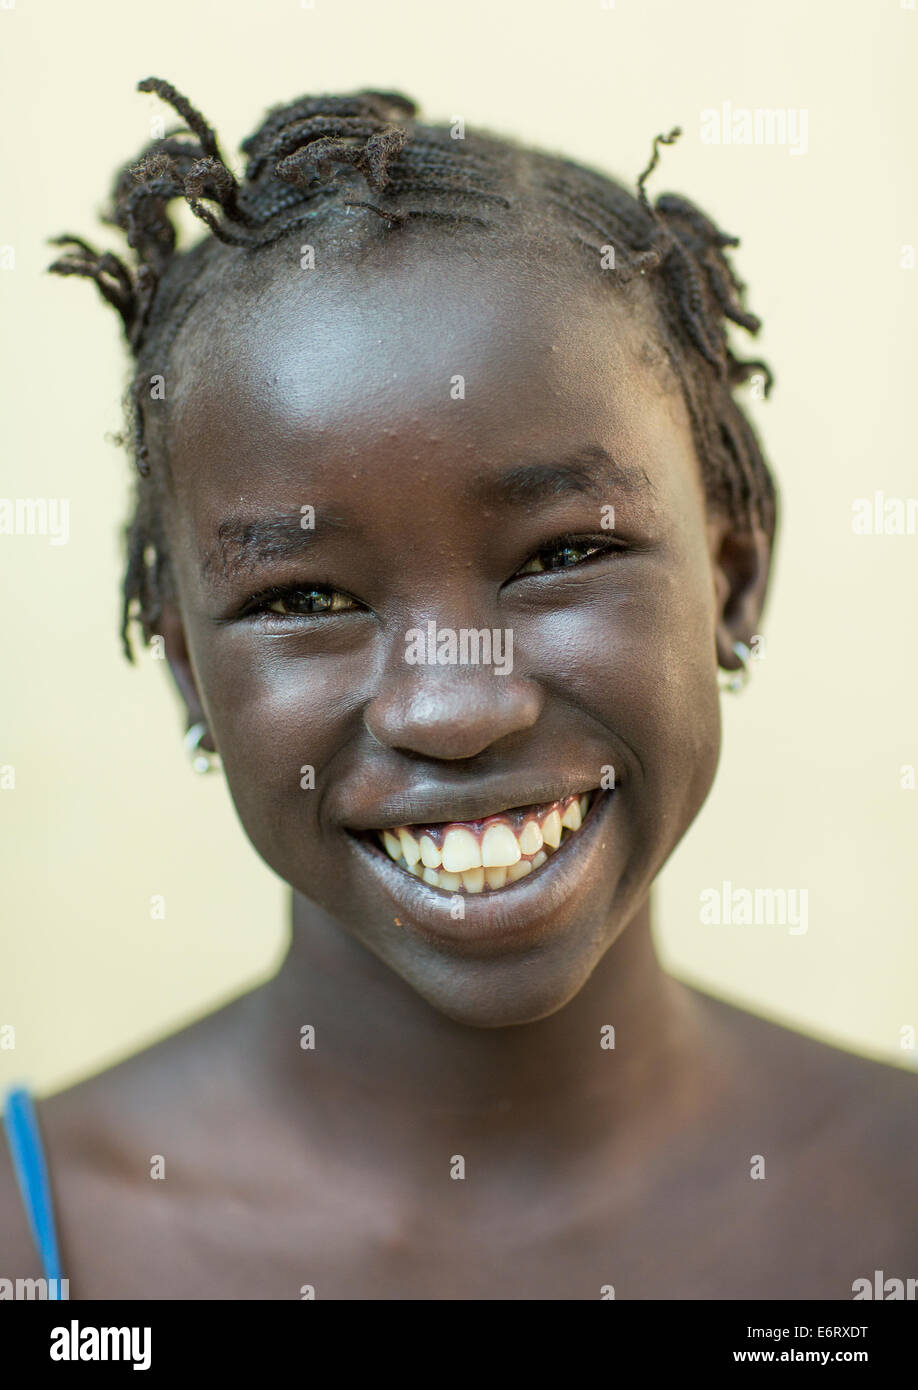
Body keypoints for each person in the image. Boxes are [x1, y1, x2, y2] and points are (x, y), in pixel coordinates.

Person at [2, 77, 915, 1300]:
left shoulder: (888, 1201)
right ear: (187, 670)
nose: (453, 707)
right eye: (307, 600)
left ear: (734, 577)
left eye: (562, 556)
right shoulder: (39, 1248)